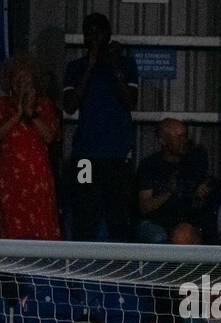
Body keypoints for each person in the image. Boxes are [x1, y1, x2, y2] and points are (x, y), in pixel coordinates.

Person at [63, 12, 139, 242]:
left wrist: (114, 67)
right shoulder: (76, 67)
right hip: (86, 154)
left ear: (108, 35)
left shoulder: (125, 64)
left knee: (117, 215)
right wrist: (90, 66)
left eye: (99, 31)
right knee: (85, 213)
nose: (94, 36)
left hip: (116, 154)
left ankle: (120, 271)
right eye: (90, 32)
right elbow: (70, 106)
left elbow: (130, 102)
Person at [0, 54, 59, 241]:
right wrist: (16, 115)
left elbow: (50, 137)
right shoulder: (0, 105)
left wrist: (30, 113)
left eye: (26, 80)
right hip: (8, 176)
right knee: (9, 221)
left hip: (36, 177)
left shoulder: (43, 106)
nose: (22, 84)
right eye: (17, 80)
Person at [135, 119, 215, 243]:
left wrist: (200, 196)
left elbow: (196, 204)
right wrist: (169, 191)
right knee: (159, 237)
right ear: (162, 141)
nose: (183, 141)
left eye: (184, 136)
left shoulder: (194, 162)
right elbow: (145, 207)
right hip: (156, 223)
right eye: (178, 137)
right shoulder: (150, 165)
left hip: (185, 222)